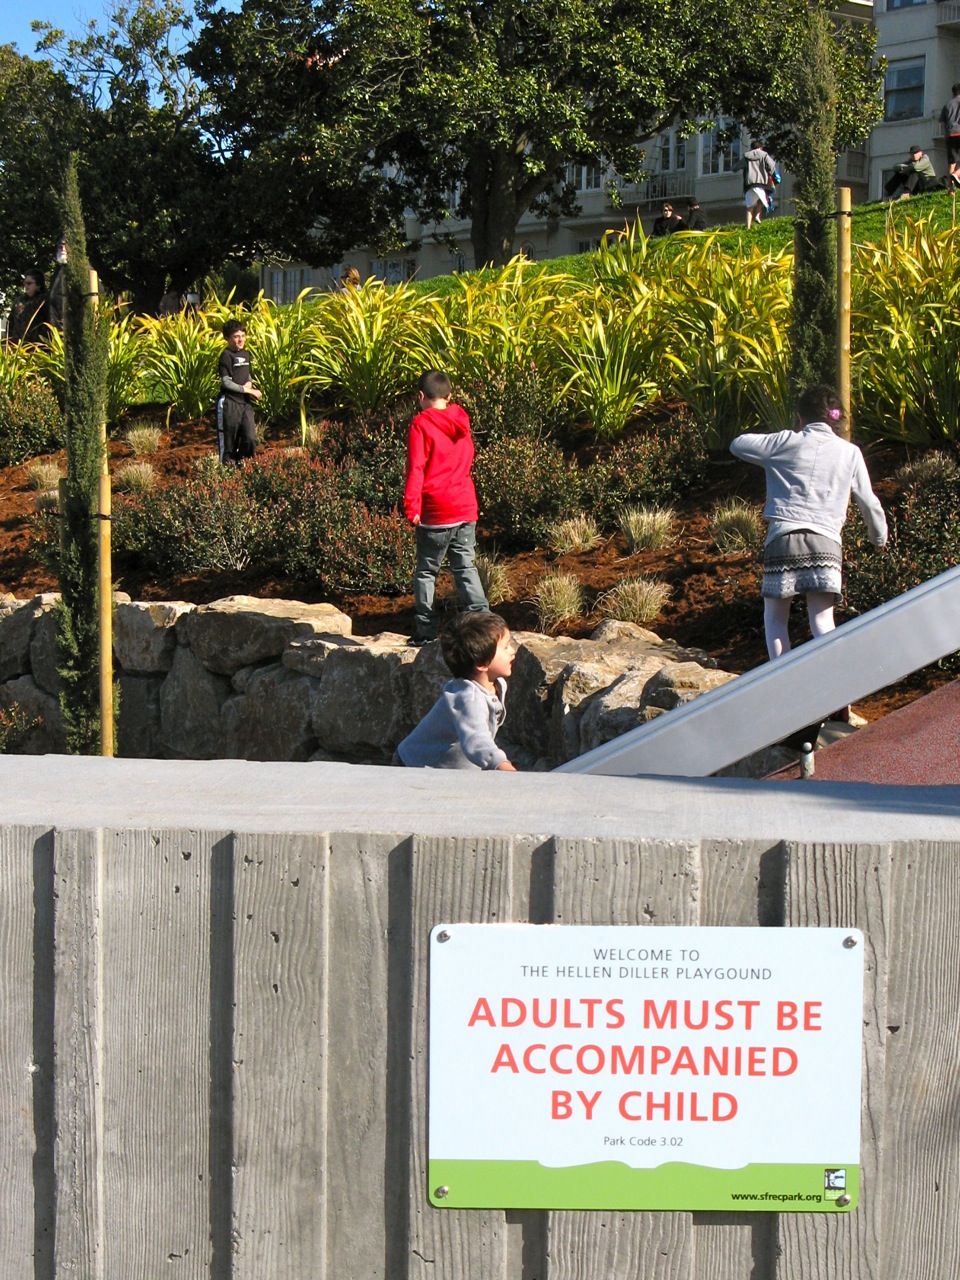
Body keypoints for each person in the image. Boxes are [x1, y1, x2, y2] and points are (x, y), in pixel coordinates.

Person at [729, 384, 887, 663]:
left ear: (800, 416)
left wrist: (780, 440)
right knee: (823, 621)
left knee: (776, 619)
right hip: (826, 543)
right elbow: (868, 500)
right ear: (835, 418)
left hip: (783, 539)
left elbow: (737, 444)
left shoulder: (785, 442)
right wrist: (879, 538)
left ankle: (783, 684)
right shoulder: (850, 453)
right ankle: (839, 688)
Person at [403, 368, 489, 644]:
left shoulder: (421, 424)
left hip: (435, 511)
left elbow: (417, 468)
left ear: (420, 396)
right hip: (465, 506)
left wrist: (412, 506)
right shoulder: (461, 421)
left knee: (427, 571)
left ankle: (425, 631)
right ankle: (484, 623)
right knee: (465, 567)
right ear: (449, 396)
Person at [395, 611, 517, 769]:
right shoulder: (467, 698)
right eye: (506, 647)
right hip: (415, 766)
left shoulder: (498, 684)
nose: (513, 650)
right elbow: (476, 740)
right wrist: (501, 765)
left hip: (446, 769)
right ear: (481, 664)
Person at [216, 319, 262, 465]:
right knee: (229, 443)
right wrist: (248, 390)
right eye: (236, 336)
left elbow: (245, 374)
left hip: (245, 403)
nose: (241, 339)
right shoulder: (226, 355)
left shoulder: (246, 354)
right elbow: (226, 382)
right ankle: (228, 472)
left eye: (243, 335)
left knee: (250, 439)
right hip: (229, 403)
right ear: (227, 338)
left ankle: (242, 467)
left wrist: (249, 382)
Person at [7, 268, 50, 345]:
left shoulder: (46, 300)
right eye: (25, 283)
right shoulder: (19, 301)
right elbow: (10, 323)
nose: (26, 286)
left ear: (39, 285)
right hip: (18, 348)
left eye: (29, 283)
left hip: (39, 349)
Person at [740, 144, 777, 229]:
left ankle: (748, 227)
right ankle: (757, 215)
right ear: (760, 147)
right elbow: (772, 165)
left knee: (749, 207)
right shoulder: (764, 155)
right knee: (761, 199)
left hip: (750, 183)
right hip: (761, 182)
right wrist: (770, 173)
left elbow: (737, 166)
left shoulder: (746, 156)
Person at [46, 239, 67, 333]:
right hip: (56, 331)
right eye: (60, 246)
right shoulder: (57, 272)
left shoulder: (84, 271)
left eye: (65, 245)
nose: (62, 249)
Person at [941, 85, 960, 187]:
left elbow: (943, 124)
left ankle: (951, 190)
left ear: (953, 93)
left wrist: (946, 137)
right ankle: (956, 174)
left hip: (950, 134)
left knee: (951, 162)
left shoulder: (947, 105)